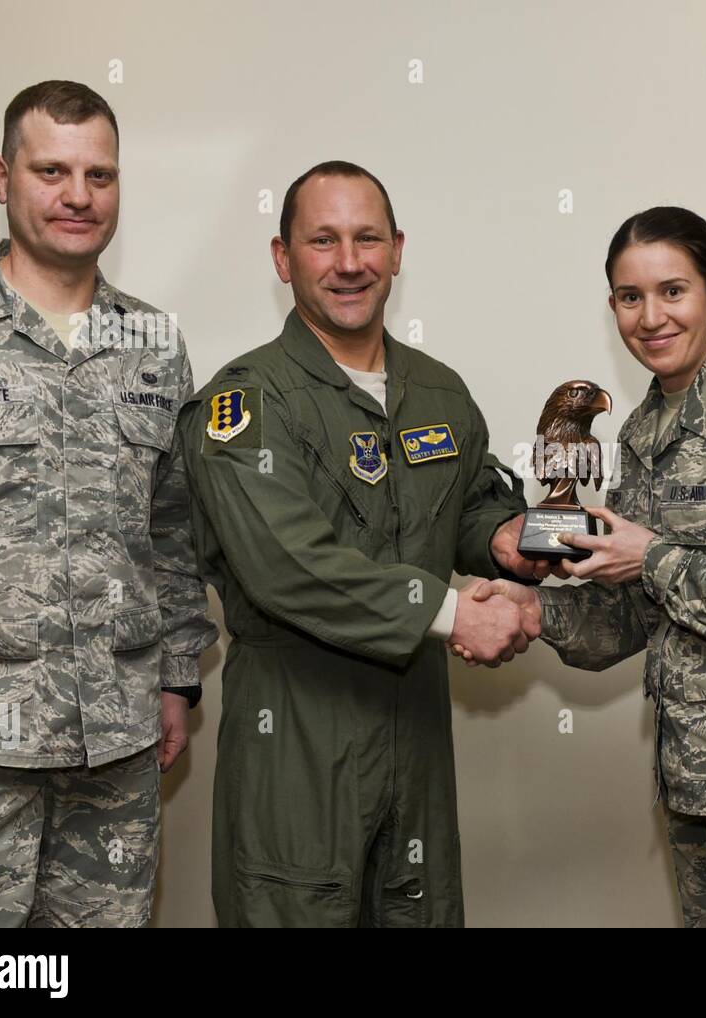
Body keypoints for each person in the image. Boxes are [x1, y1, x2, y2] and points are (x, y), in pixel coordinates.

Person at [454, 207, 706, 927]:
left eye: (673, 291)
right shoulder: (645, 429)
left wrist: (658, 555)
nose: (651, 317)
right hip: (692, 783)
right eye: (629, 296)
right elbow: (637, 611)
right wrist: (530, 611)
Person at [180, 161, 543, 928]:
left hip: (416, 737)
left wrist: (508, 542)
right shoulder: (245, 402)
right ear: (283, 258)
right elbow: (288, 567)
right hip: (296, 742)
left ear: (398, 249)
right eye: (323, 240)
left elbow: (471, 504)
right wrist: (455, 614)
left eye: (367, 238)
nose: (350, 262)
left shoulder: (439, 392)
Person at [0, 81, 217, 927]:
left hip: (114, 747)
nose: (78, 196)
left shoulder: (154, 342)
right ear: (3, 177)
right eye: (52, 170)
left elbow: (171, 532)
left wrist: (178, 681)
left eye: (100, 175)